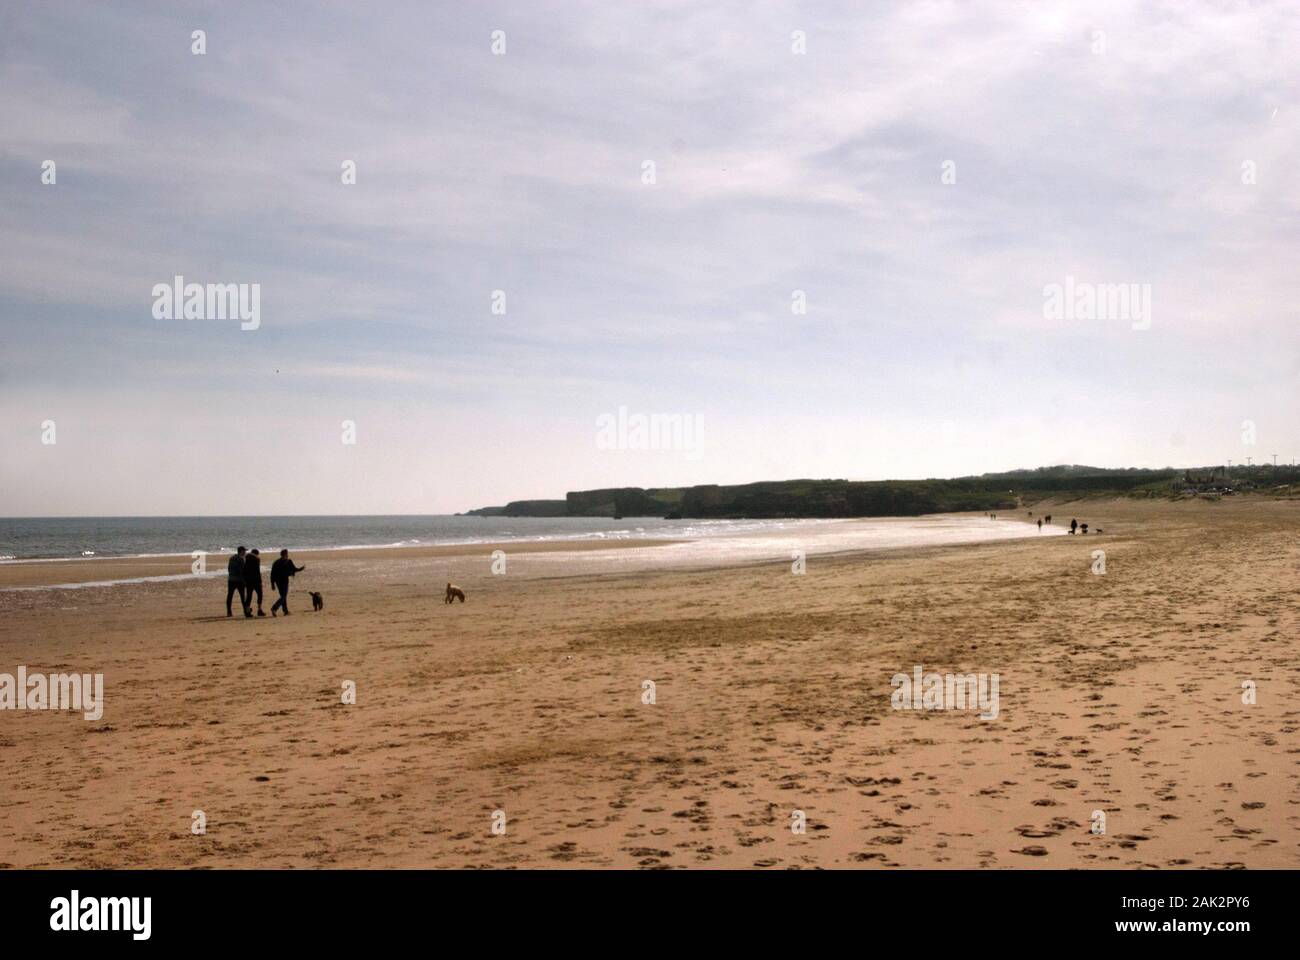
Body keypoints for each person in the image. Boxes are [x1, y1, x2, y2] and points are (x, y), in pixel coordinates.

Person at [270, 548, 306, 616]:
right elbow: (294, 569)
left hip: (277, 582)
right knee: (283, 596)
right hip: (284, 581)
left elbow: (272, 574)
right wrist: (301, 569)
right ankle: (274, 608)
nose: (287, 556)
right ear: (285, 554)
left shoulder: (276, 562)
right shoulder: (288, 561)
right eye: (287, 554)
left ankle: (285, 611)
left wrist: (272, 583)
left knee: (283, 596)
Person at [226, 546, 248, 618]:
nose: (245, 552)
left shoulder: (232, 558)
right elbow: (242, 571)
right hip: (239, 580)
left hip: (231, 579)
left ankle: (229, 611)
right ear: (241, 551)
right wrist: (245, 580)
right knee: (242, 597)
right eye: (244, 551)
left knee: (230, 596)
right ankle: (245, 611)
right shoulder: (242, 559)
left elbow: (229, 568)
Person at [244, 548, 265, 617]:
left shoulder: (246, 559)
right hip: (256, 580)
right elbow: (257, 571)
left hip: (248, 581)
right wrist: (260, 581)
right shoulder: (257, 559)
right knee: (260, 594)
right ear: (256, 554)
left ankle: (247, 611)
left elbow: (244, 570)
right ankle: (259, 610)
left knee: (249, 596)